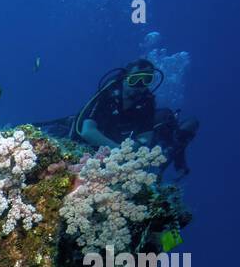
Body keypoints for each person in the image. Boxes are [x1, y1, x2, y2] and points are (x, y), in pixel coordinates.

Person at [69, 59, 199, 178]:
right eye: (135, 79)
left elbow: (145, 138)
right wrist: (119, 151)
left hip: (111, 150)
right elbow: (87, 131)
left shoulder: (146, 103)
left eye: (147, 80)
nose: (140, 85)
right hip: (83, 145)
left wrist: (130, 151)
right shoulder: (108, 93)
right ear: (125, 78)